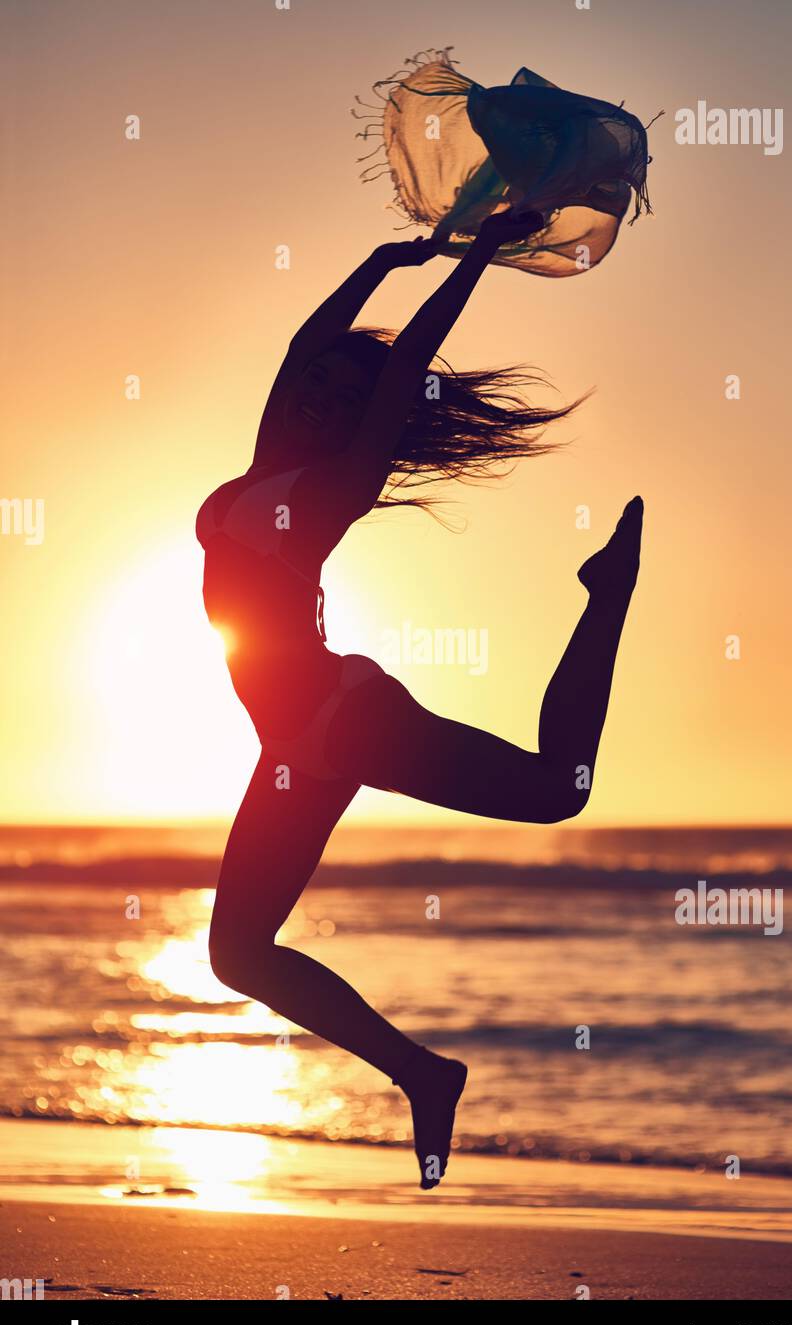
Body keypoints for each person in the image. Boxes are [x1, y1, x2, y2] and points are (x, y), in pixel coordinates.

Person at [196, 208, 643, 1189]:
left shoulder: (338, 480)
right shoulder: (268, 463)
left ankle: (605, 597)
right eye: (308, 385)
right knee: (236, 953)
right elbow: (301, 348)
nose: (307, 390)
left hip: (342, 718)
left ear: (349, 416)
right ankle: (424, 1073)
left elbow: (404, 372)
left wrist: (477, 254)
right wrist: (377, 261)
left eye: (328, 390)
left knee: (558, 788)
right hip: (290, 748)